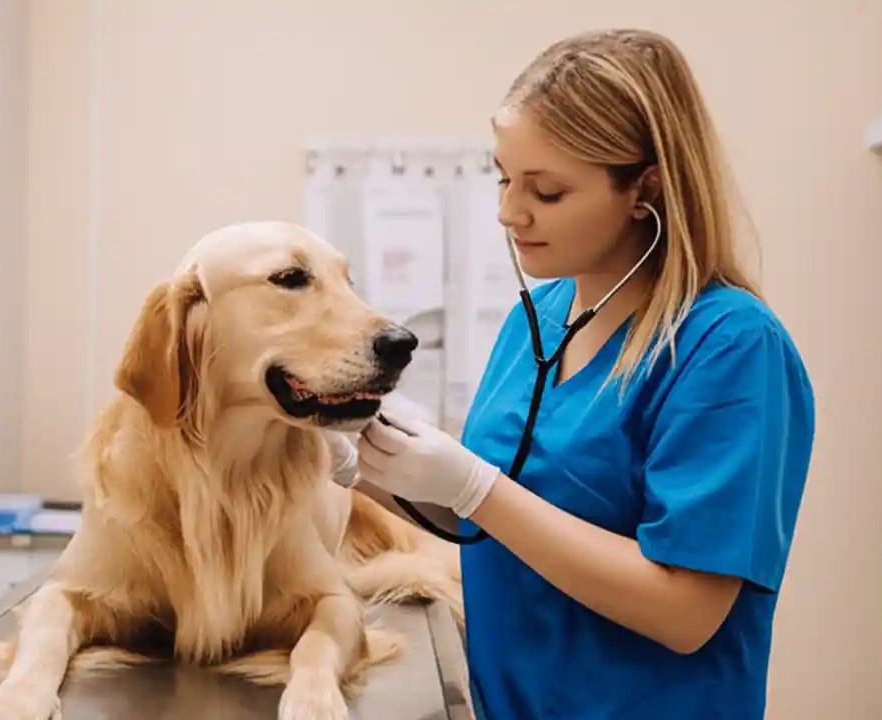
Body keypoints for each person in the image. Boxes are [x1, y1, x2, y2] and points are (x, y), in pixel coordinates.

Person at [323, 28, 815, 719]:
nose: (507, 212)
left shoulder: (729, 348)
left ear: (643, 188)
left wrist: (473, 485)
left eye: (546, 191)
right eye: (503, 178)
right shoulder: (539, 319)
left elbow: (686, 611)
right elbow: (498, 516)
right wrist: (362, 462)